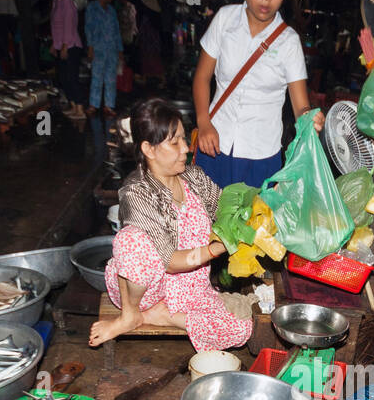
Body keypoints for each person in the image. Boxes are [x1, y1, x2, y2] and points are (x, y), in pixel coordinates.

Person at [89, 99, 252, 352]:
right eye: (174, 142)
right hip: (145, 289)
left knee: (241, 330)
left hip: (191, 289)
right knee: (131, 239)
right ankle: (131, 315)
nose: (185, 149)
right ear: (149, 149)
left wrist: (250, 211)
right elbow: (170, 262)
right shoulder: (137, 192)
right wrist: (217, 248)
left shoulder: (193, 177)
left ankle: (163, 317)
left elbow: (224, 207)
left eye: (184, 140)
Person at [191, 0, 323, 188]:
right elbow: (202, 77)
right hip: (214, 144)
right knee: (203, 221)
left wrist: (310, 118)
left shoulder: (289, 42)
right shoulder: (224, 20)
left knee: (252, 223)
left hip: (260, 157)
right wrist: (204, 123)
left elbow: (300, 106)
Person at [84, 0, 121, 119]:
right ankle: (94, 105)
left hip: (111, 49)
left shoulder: (111, 11)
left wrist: (120, 50)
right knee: (96, 77)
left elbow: (116, 31)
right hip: (98, 48)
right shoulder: (91, 8)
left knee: (111, 79)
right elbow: (88, 29)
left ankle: (109, 105)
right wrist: (90, 47)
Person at [50, 0, 85, 119]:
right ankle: (74, 107)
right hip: (62, 45)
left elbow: (69, 24)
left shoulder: (66, 0)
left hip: (71, 45)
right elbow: (56, 25)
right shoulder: (57, 0)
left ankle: (80, 110)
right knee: (64, 78)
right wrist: (55, 44)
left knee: (72, 78)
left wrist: (64, 45)